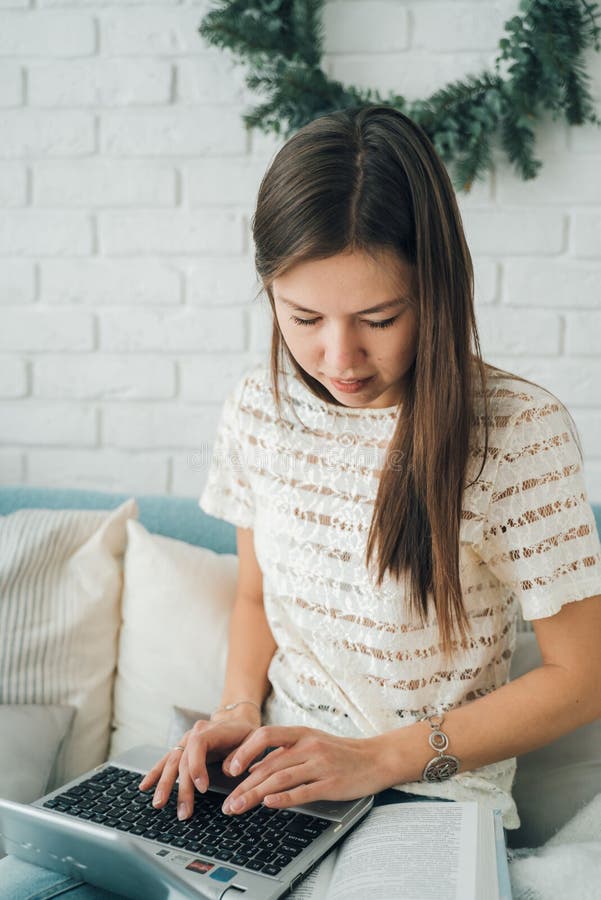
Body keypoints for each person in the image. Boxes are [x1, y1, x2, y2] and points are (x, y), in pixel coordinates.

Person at [2, 104, 601, 898]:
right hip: (274, 778)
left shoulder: (516, 431)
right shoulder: (259, 409)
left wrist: (375, 757)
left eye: (379, 318)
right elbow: (256, 594)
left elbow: (581, 676)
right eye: (304, 317)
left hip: (423, 792)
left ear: (438, 288)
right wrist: (236, 711)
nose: (337, 356)